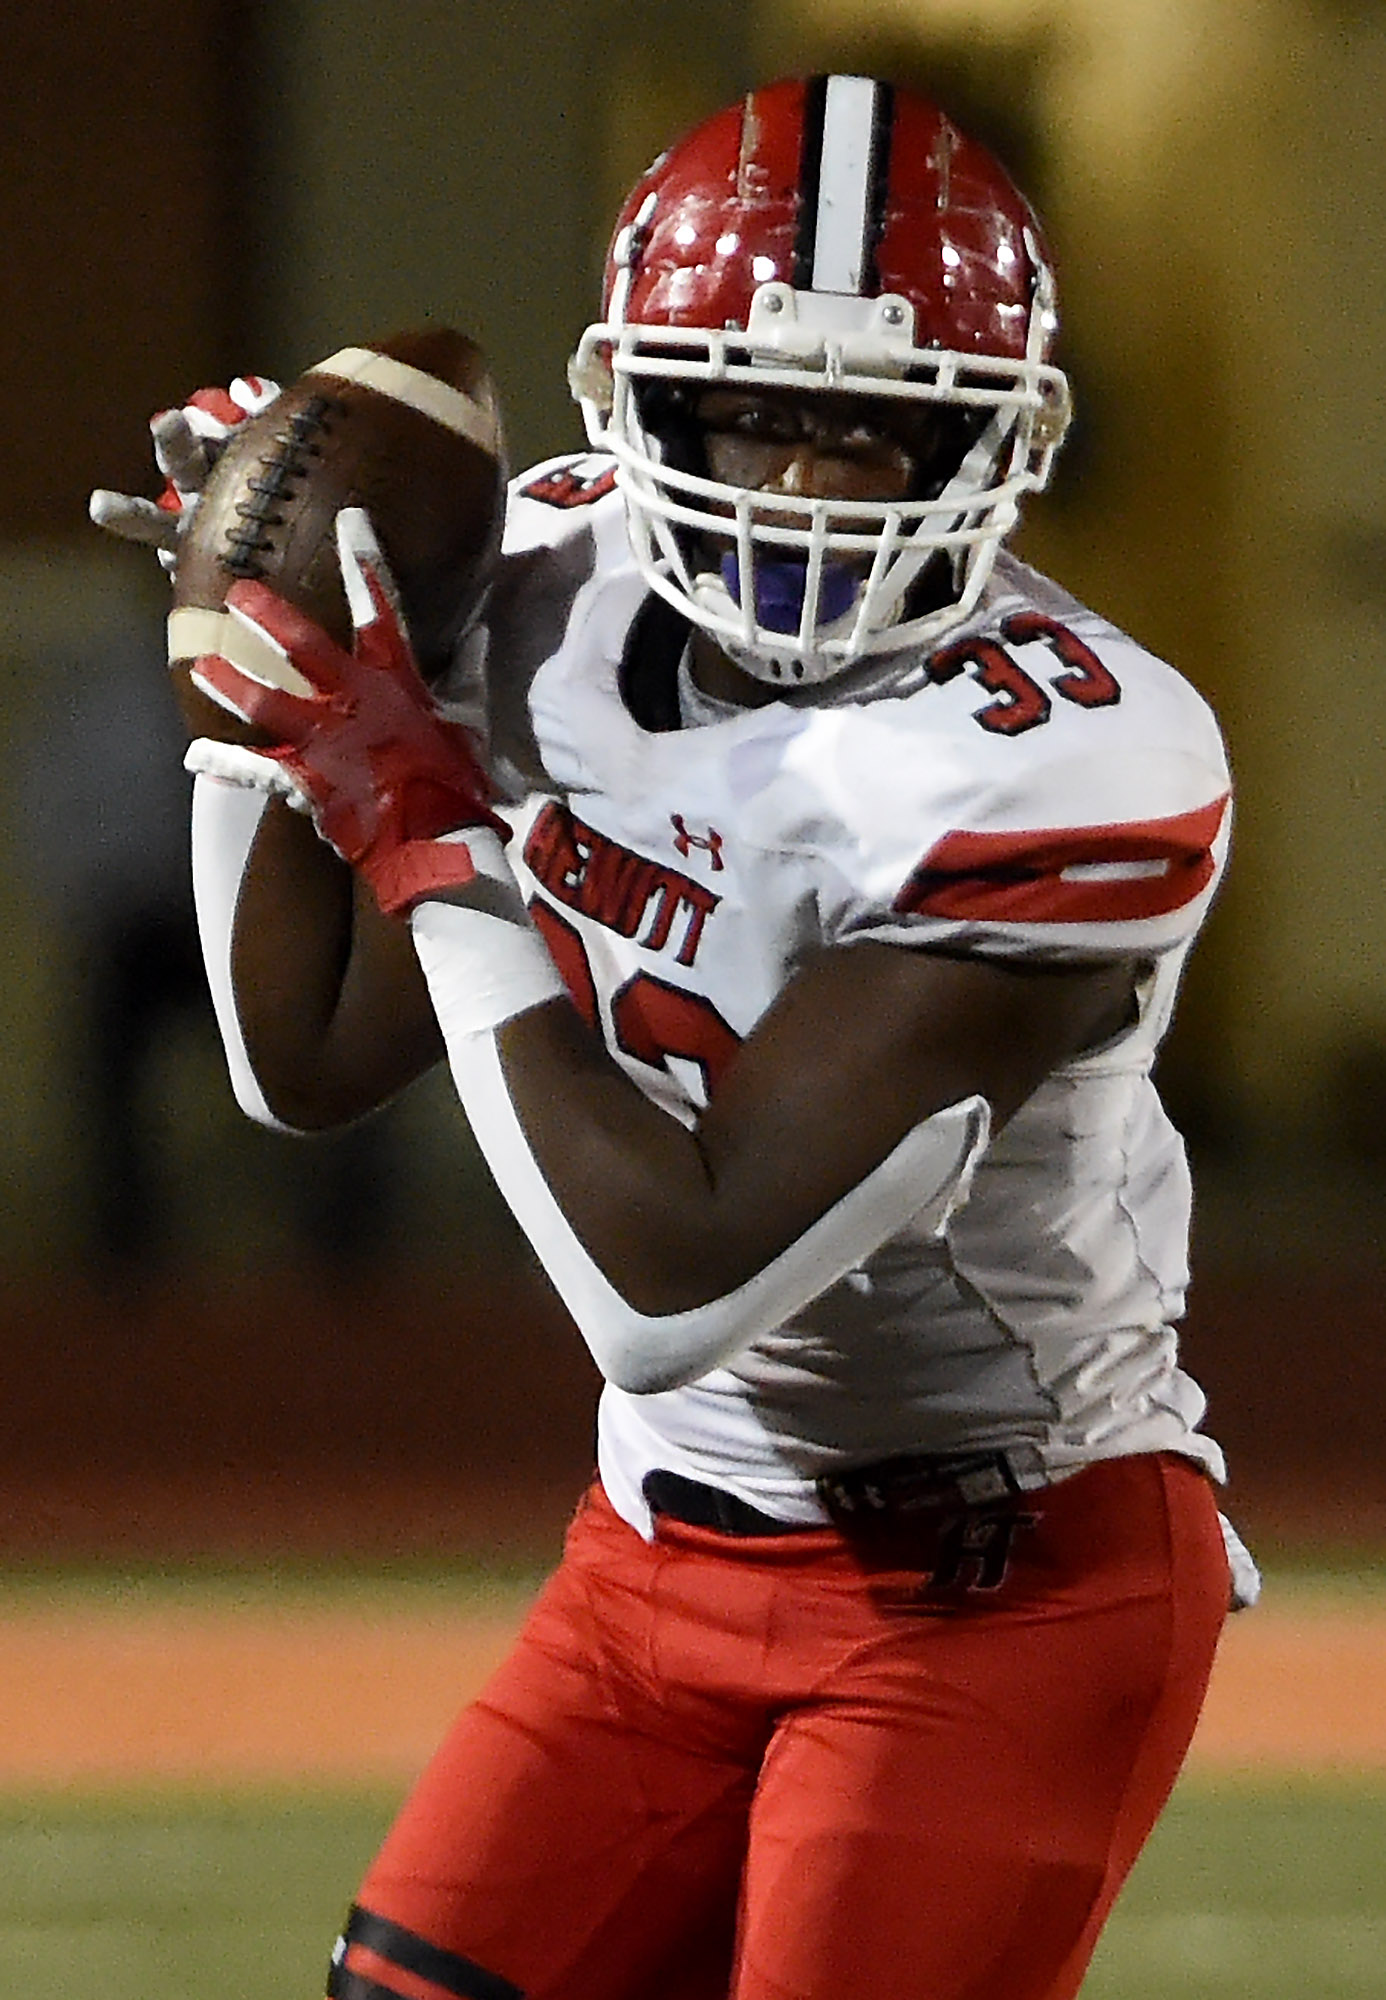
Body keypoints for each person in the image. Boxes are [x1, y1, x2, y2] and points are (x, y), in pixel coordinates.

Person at [96, 75, 1259, 2000]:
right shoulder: (548, 570)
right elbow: (296, 1060)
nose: (804, 482)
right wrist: (261, 681)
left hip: (995, 1577)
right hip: (653, 1548)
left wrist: (426, 835)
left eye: (876, 431)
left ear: (996, 440)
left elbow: (667, 1286)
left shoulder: (1067, 762)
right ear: (630, 397)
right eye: (755, 412)